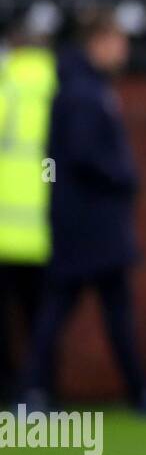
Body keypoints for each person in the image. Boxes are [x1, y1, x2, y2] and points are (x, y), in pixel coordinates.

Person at [22, 10, 146, 408]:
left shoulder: (84, 86)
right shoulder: (84, 91)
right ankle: (138, 394)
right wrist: (124, 176)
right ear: (96, 42)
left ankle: (36, 390)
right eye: (116, 41)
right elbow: (83, 153)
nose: (123, 50)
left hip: (86, 219)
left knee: (86, 309)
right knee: (78, 309)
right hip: (89, 221)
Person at [0, 21, 56, 402]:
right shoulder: (56, 85)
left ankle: (8, 388)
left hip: (4, 227)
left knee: (4, 321)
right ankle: (39, 390)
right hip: (46, 227)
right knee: (44, 317)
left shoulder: (5, 84)